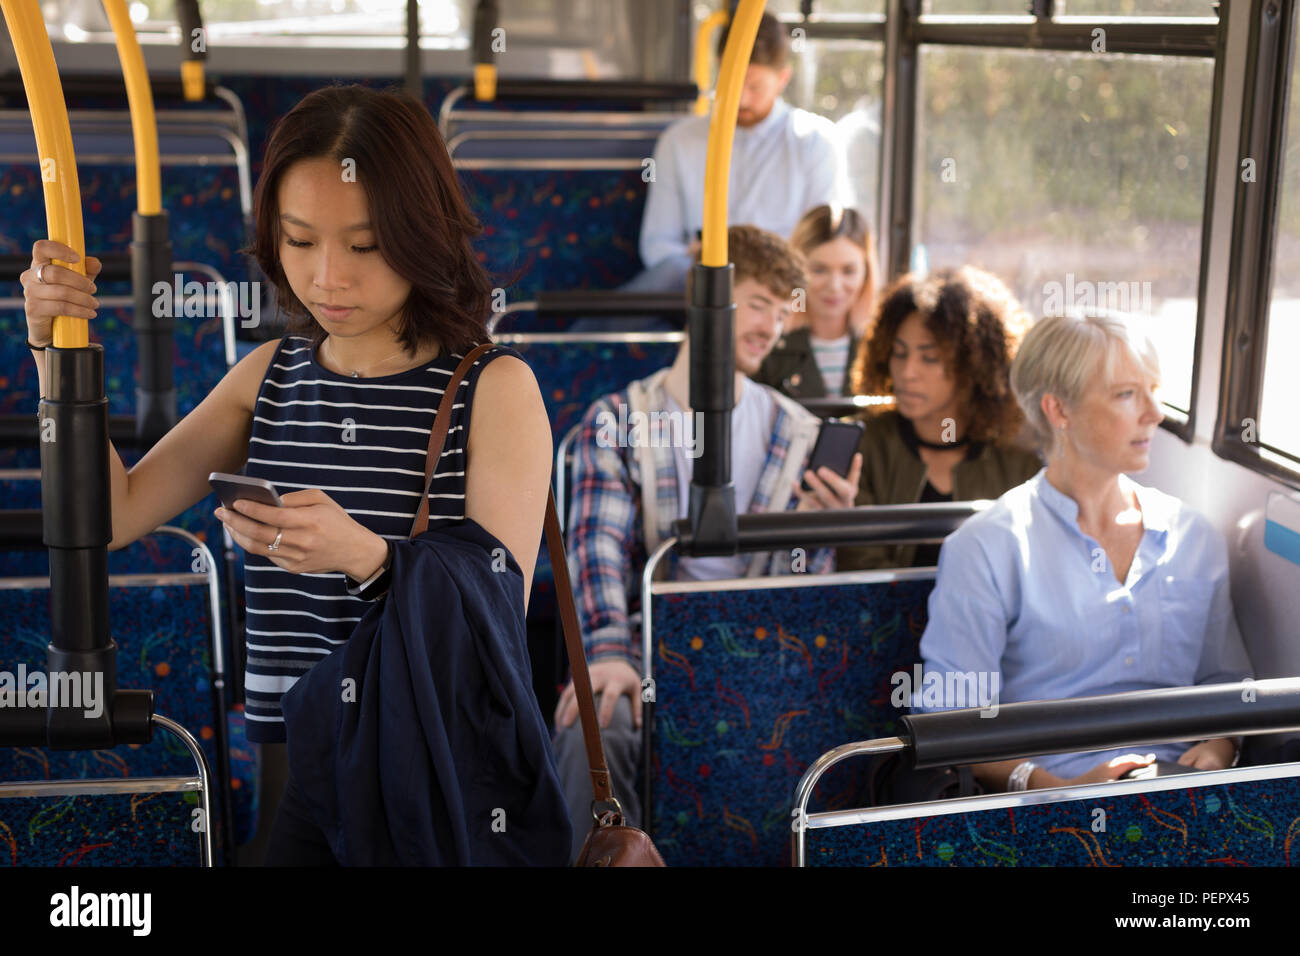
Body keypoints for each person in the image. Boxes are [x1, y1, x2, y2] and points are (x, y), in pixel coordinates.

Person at [18, 84, 566, 864]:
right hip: (292, 756)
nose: (327, 278)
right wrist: (55, 354)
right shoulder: (269, 375)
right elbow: (110, 516)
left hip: (432, 765)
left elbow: (494, 609)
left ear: (423, 235)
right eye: (300, 241)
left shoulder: (495, 387)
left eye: (366, 246)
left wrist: (364, 558)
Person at [551, 225, 862, 860]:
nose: (772, 326)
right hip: (648, 656)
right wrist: (608, 653)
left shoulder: (799, 432)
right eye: (757, 304)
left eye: (782, 311)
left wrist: (825, 529)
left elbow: (806, 597)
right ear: (706, 300)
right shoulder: (613, 426)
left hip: (762, 654)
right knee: (599, 721)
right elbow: (594, 552)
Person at [913, 312, 1252, 791]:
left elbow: (1227, 682)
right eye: (1126, 394)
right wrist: (1050, 786)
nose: (1155, 412)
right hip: (1050, 807)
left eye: (1154, 390)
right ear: (1059, 411)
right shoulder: (987, 547)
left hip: (1185, 793)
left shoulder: (1195, 537)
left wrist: (1222, 744)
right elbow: (953, 722)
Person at [572, 13, 847, 333]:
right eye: (731, 82)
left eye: (755, 86)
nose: (742, 98)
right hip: (697, 284)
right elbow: (658, 245)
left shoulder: (815, 142)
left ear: (783, 79)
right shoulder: (680, 140)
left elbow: (822, 245)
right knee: (674, 271)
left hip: (779, 287)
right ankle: (568, 351)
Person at [837, 267, 1042, 570]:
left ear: (975, 366)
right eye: (899, 353)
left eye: (929, 358)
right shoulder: (861, 444)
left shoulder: (1018, 463)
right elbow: (859, 564)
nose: (907, 373)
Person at [753, 204, 877, 399]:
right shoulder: (767, 343)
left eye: (848, 271)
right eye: (819, 270)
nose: (835, 286)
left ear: (866, 273)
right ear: (796, 273)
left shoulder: (882, 346)